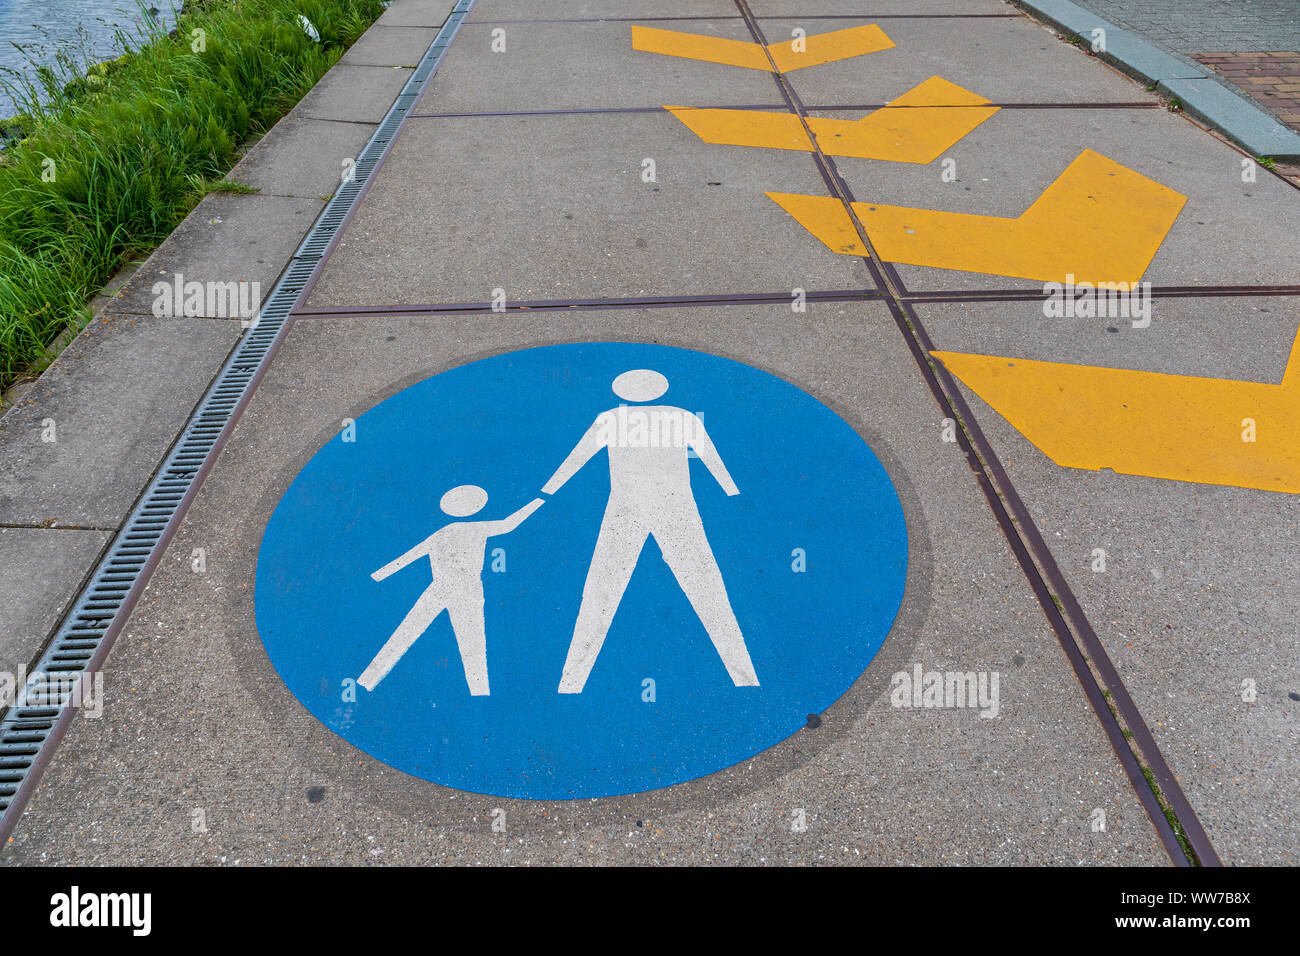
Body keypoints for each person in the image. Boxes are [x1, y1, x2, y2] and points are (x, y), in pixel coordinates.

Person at [542, 368, 759, 693]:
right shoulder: (681, 416)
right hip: (677, 507)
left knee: (602, 588)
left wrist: (549, 490)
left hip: (625, 507)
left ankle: (571, 682)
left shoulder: (610, 419)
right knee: (707, 587)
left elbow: (577, 458)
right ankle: (746, 678)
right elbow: (709, 455)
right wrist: (730, 490)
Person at [358, 486, 543, 696]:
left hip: (438, 587)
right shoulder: (476, 528)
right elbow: (509, 524)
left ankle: (368, 679)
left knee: (406, 631)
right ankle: (479, 690)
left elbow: (410, 556)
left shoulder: (442, 532)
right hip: (467, 587)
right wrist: (539, 500)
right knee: (472, 640)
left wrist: (380, 574)